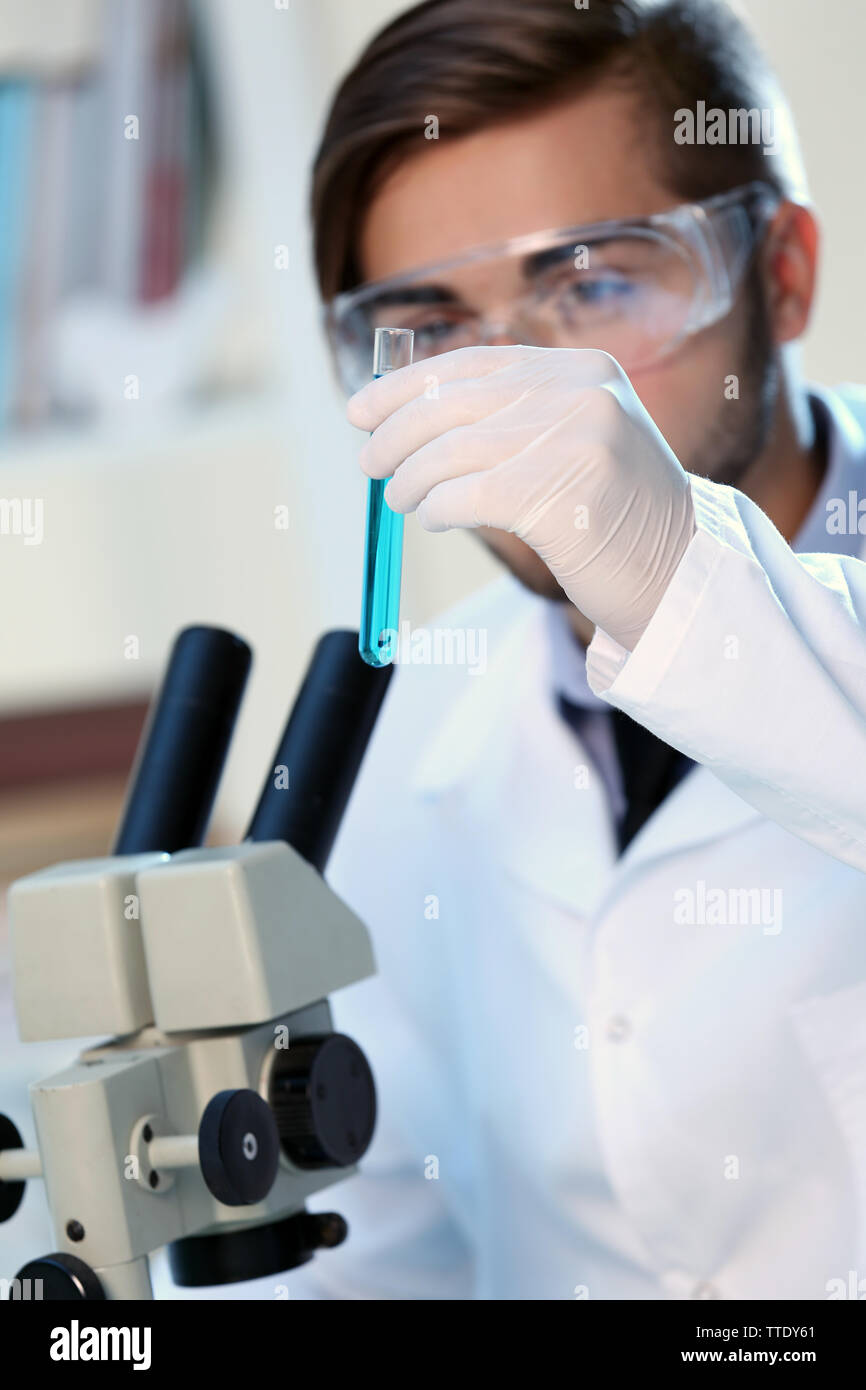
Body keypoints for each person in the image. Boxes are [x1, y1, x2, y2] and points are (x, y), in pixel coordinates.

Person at [294, 0, 866, 1300]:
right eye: (434, 329)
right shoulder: (410, 726)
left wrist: (672, 572)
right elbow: (383, 1242)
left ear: (779, 273)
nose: (514, 384)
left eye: (594, 282)